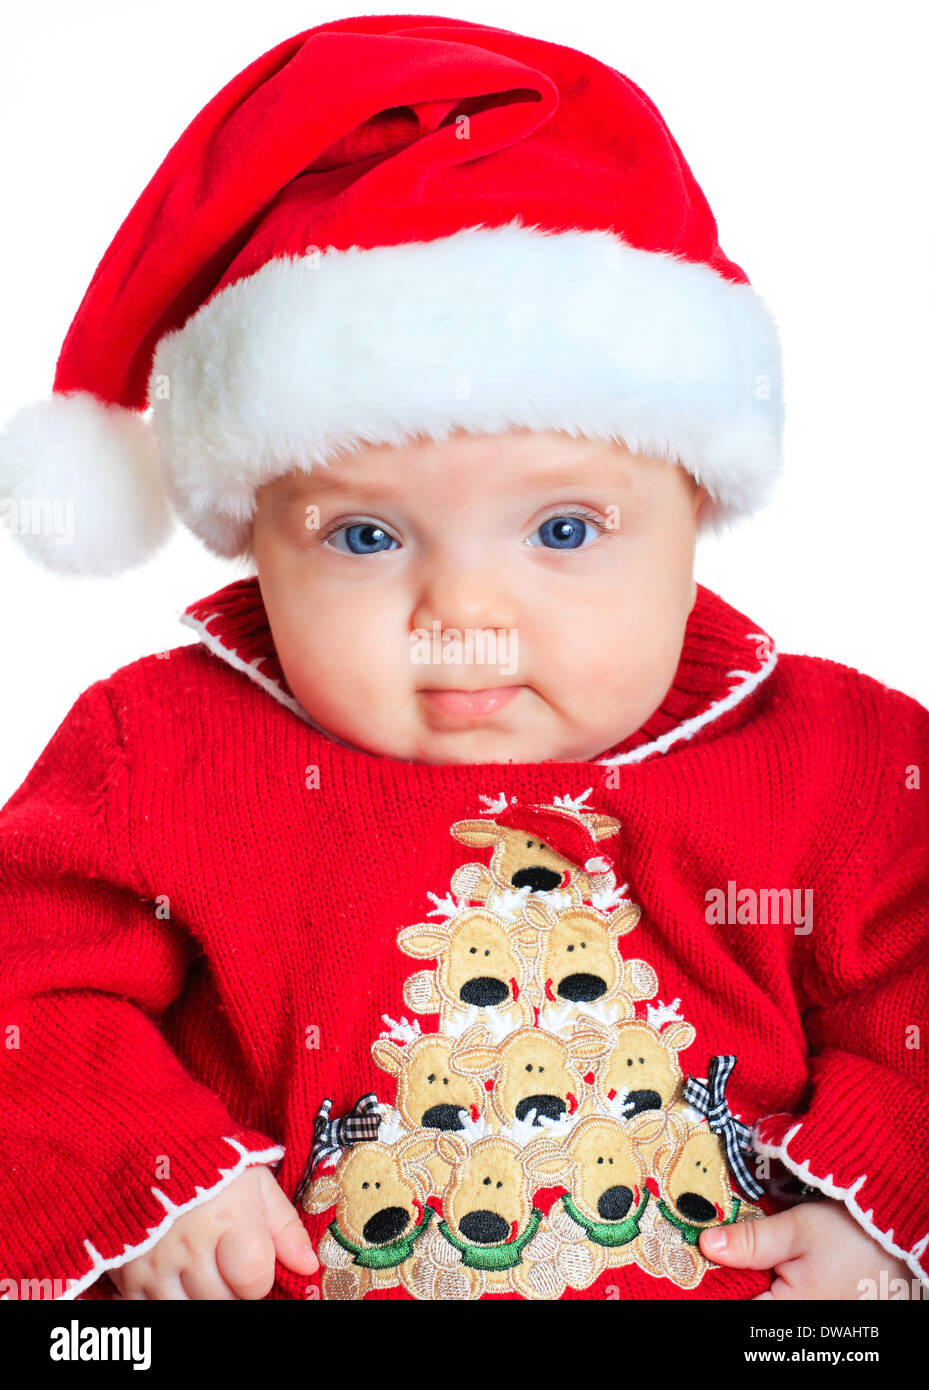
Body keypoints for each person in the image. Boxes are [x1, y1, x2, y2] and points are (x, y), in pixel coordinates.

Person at [0, 13, 925, 1304]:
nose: (461, 608)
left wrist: (883, 1210)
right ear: (252, 534)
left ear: (696, 508)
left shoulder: (843, 764)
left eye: (562, 527)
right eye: (365, 533)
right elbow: (24, 986)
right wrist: (151, 1166)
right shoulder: (155, 752)